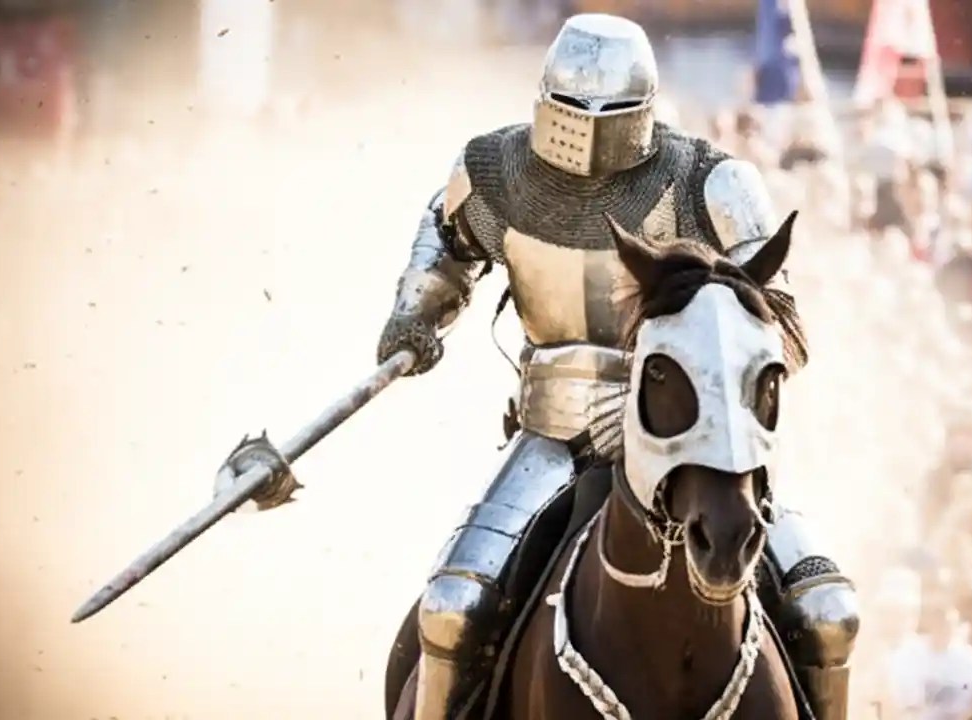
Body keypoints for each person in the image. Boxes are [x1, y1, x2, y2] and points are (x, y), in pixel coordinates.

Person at [215, 14, 858, 720]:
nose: (583, 129)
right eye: (571, 108)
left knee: (825, 611)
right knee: (454, 605)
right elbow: (447, 237)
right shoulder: (496, 171)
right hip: (552, 432)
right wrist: (420, 312)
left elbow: (773, 313)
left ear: (640, 112)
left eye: (604, 113)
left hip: (691, 437)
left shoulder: (709, 182)